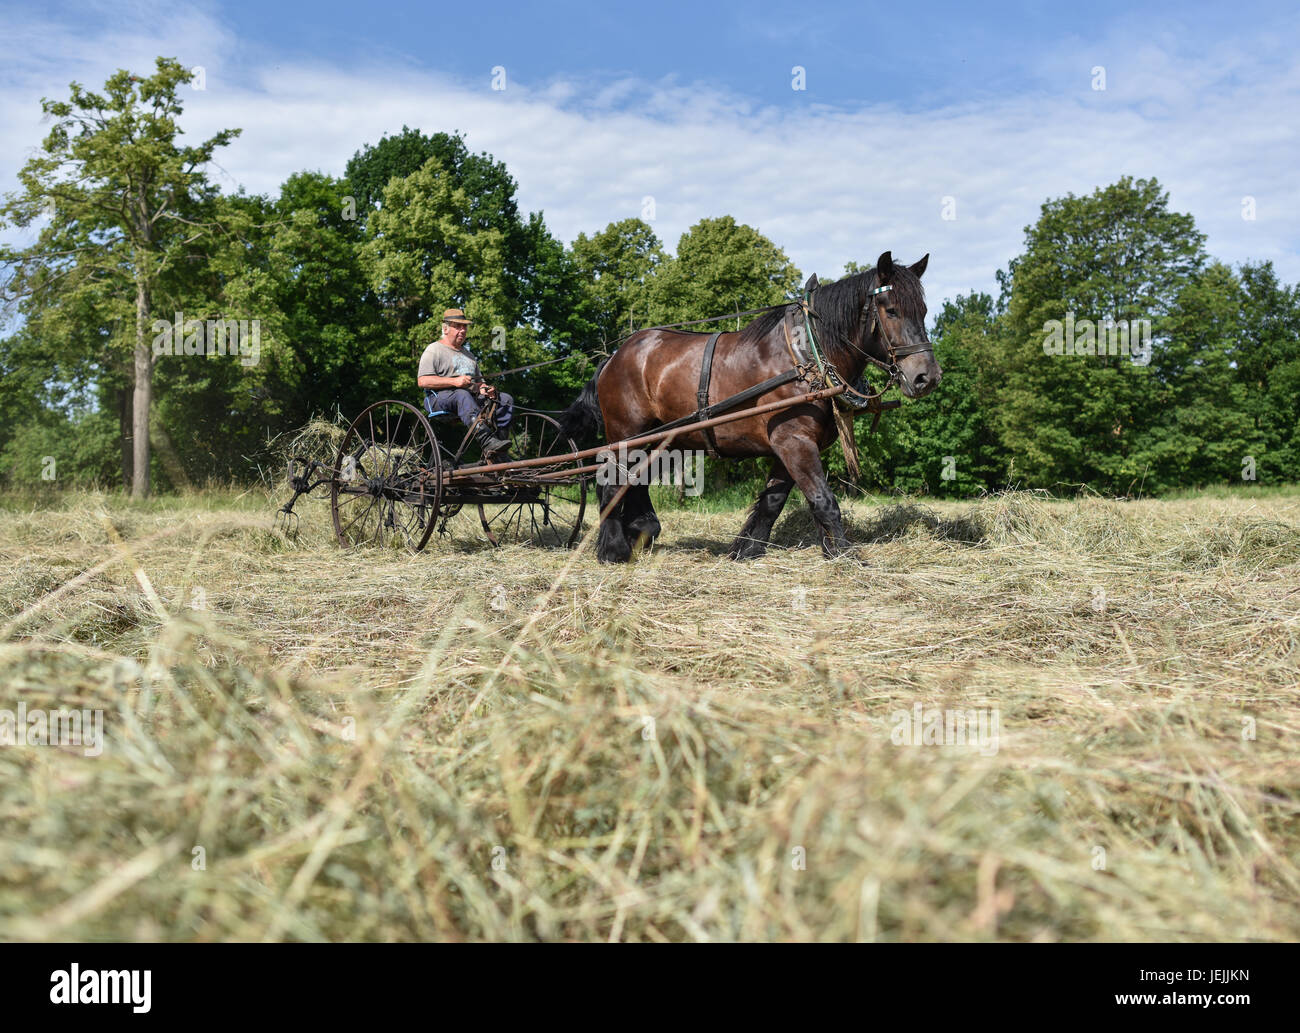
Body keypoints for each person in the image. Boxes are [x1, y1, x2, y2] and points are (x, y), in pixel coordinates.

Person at [417, 308, 515, 461]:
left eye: (464, 327)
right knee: (461, 394)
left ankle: (500, 449)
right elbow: (423, 381)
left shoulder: (469, 355)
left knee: (504, 399)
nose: (462, 330)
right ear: (445, 328)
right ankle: (487, 441)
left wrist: (484, 389)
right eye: (458, 326)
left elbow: (478, 383)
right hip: (437, 399)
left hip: (467, 398)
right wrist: (454, 381)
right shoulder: (434, 349)